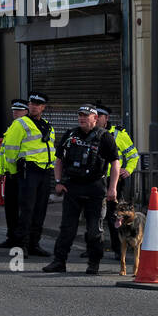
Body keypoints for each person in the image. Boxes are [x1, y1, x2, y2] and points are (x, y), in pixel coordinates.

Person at [43, 105, 120, 274]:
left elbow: (115, 162)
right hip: (73, 188)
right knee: (67, 228)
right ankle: (59, 261)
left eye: (86, 115)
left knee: (94, 230)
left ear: (95, 117)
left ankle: (94, 264)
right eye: (79, 115)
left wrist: (112, 188)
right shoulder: (71, 134)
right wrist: (58, 181)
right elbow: (59, 160)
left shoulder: (105, 137)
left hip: (95, 189)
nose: (81, 118)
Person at [1, 91, 55, 257]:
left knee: (40, 210)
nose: (33, 106)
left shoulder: (47, 125)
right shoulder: (20, 124)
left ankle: (34, 244)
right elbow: (10, 150)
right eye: (31, 103)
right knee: (27, 209)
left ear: (43, 107)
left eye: (37, 104)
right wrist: (13, 171)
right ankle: (21, 244)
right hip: (28, 171)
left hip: (45, 172)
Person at [89, 103, 139, 262]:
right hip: (93, 179)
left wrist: (128, 170)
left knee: (114, 216)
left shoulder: (118, 135)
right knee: (92, 214)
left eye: (100, 117)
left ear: (106, 118)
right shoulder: (88, 133)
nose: (96, 120)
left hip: (114, 181)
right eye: (94, 116)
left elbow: (133, 155)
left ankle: (119, 249)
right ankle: (92, 248)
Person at [0, 99, 29, 249]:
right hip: (10, 174)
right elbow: (4, 152)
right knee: (10, 209)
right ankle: (11, 237)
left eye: (19, 110)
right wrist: (1, 171)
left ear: (26, 111)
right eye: (14, 110)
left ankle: (22, 239)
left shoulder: (27, 127)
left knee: (22, 209)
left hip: (22, 175)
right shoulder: (12, 128)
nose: (15, 112)